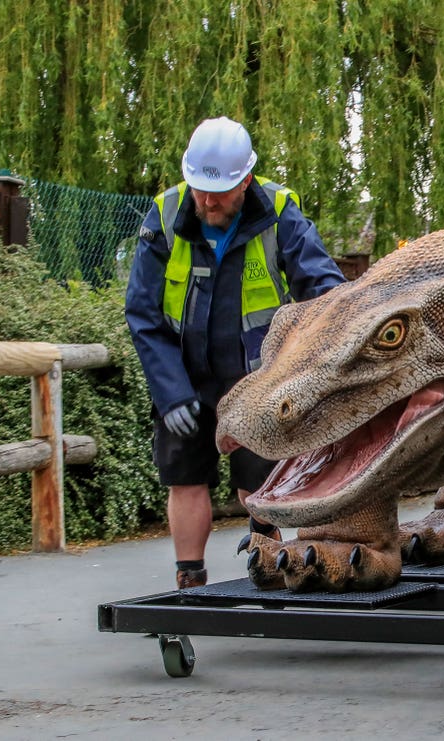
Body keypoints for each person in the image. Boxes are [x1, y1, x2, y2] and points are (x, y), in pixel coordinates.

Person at [125, 117, 347, 589]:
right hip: (185, 378)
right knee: (185, 478)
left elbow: (323, 290)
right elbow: (142, 313)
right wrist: (170, 394)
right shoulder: (165, 214)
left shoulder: (280, 210)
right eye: (199, 189)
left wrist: (326, 352)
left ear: (245, 181)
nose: (207, 201)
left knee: (261, 485)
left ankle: (268, 570)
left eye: (220, 192)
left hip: (257, 380)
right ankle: (190, 581)